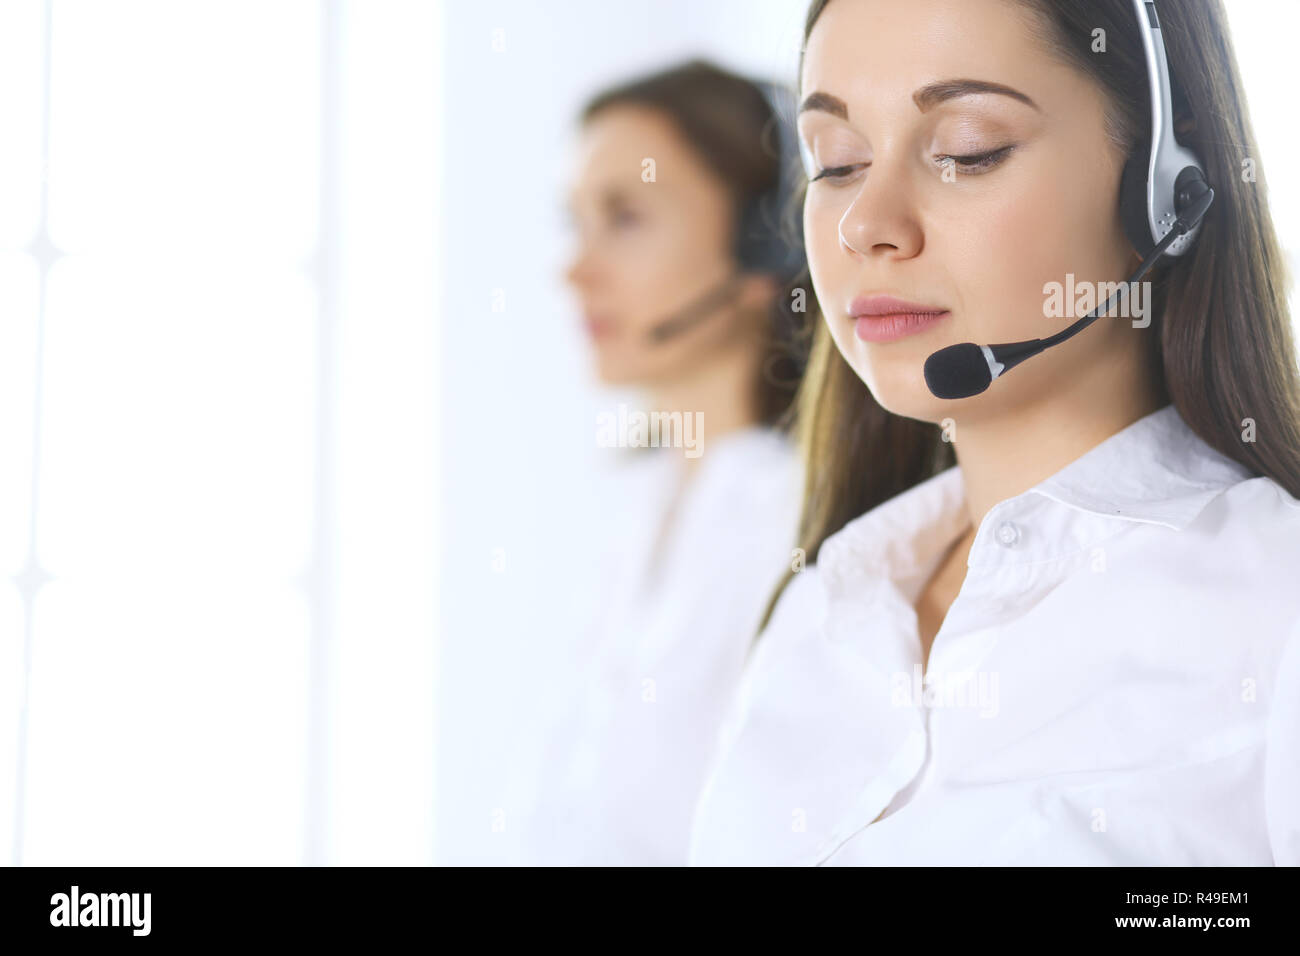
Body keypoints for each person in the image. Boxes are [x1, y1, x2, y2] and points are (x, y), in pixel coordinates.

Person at [688, 0, 1300, 866]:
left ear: (1168, 184)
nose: (868, 223)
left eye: (967, 150)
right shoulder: (818, 612)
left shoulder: (1274, 608)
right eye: (838, 162)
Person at [506, 60, 811, 865]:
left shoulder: (806, 522)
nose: (575, 269)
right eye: (575, 222)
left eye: (627, 218)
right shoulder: (629, 507)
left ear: (765, 241)